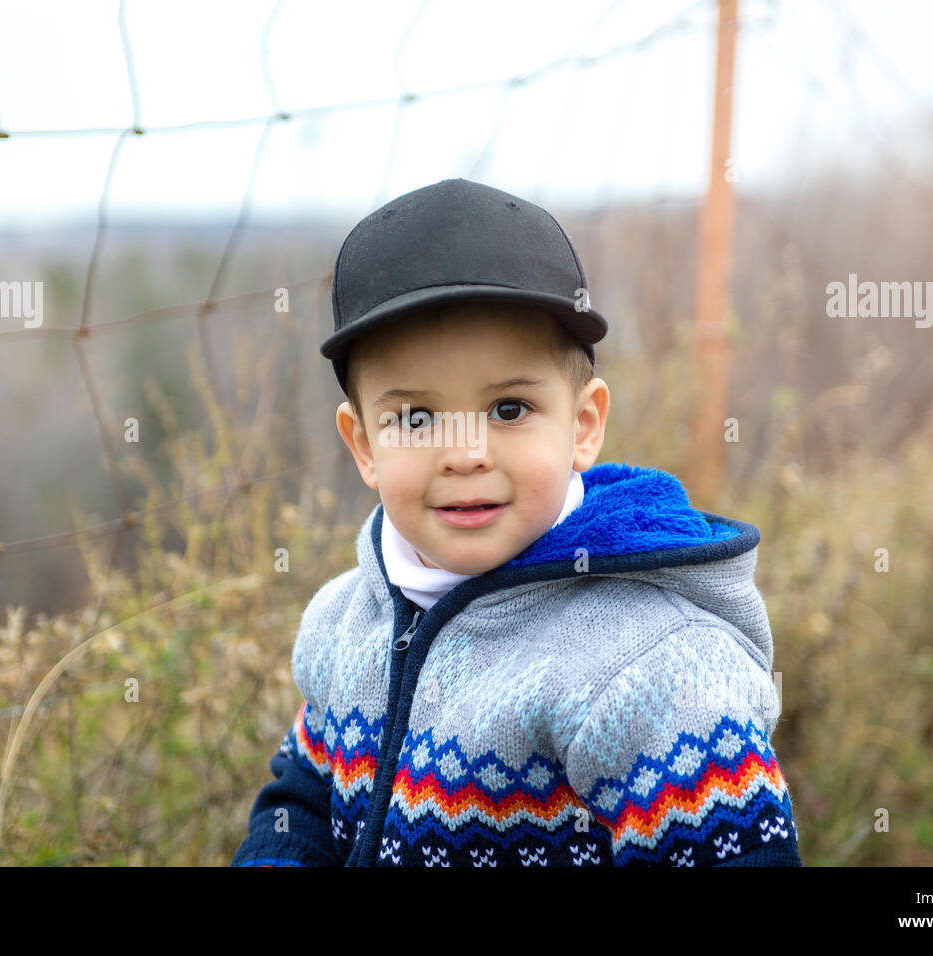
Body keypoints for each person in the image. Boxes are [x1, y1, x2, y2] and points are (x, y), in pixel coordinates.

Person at [232, 178, 801, 866]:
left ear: (583, 425)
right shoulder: (348, 620)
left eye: (508, 409)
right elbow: (304, 799)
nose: (466, 455)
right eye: (416, 418)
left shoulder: (649, 669)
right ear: (363, 446)